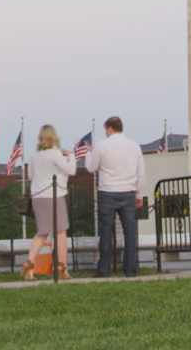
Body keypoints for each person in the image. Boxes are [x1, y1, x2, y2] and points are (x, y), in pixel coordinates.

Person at [84, 115, 146, 277]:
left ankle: (104, 269)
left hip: (108, 192)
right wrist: (139, 194)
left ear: (109, 129)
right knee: (130, 233)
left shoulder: (102, 146)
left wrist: (88, 154)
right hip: (128, 192)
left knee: (105, 233)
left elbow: (91, 168)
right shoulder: (134, 146)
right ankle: (130, 269)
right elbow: (141, 173)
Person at [23, 124, 74, 281]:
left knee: (42, 232)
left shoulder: (34, 156)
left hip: (38, 196)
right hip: (55, 194)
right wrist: (71, 156)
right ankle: (61, 267)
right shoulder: (55, 154)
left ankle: (29, 264)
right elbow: (71, 170)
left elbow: (31, 176)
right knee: (60, 231)